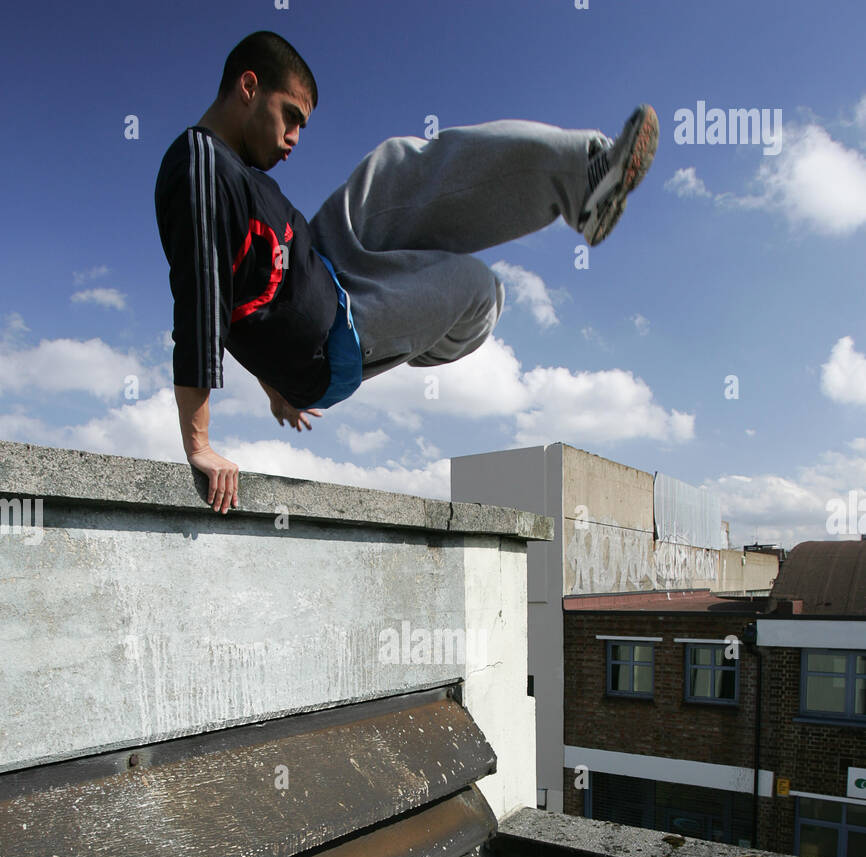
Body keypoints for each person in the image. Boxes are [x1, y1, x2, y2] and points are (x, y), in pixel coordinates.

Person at [155, 30, 658, 515]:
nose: (293, 139)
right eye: (290, 117)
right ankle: (415, 333)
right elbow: (202, 303)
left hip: (327, 262)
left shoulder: (244, 178)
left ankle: (586, 177)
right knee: (478, 290)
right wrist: (199, 444)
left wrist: (270, 383)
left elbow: (246, 301)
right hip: (335, 336)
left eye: (302, 126)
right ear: (248, 87)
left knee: (394, 158)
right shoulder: (201, 164)